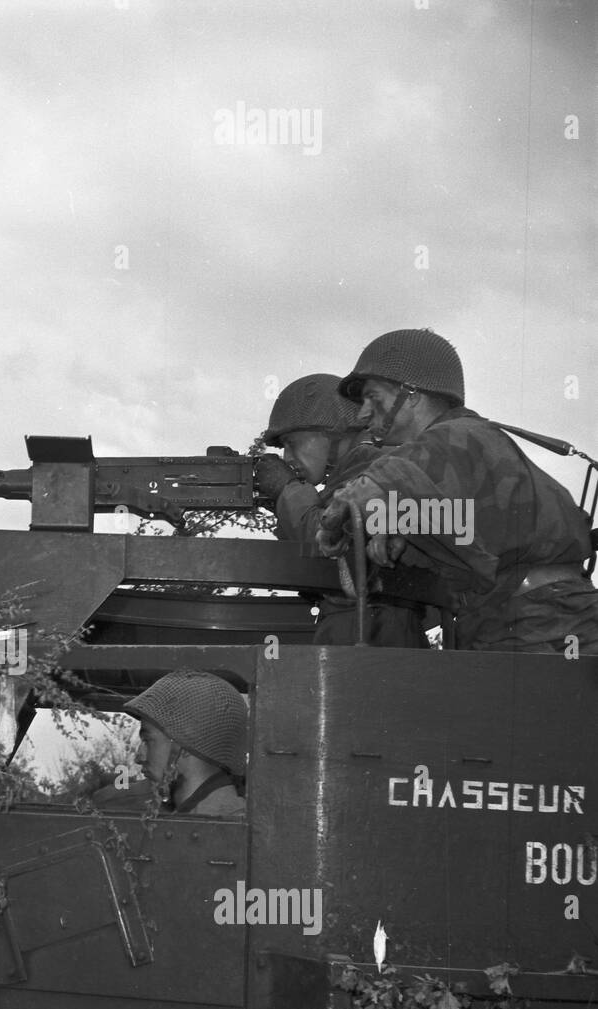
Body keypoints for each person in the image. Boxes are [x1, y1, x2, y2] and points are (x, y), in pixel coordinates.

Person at [316, 329, 598, 653]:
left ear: (411, 394)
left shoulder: (457, 438)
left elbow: (366, 494)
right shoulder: (469, 452)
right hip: (528, 620)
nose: (363, 413)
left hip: (537, 626)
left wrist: (349, 513)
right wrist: (400, 528)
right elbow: (464, 529)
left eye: (373, 397)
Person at [254, 373, 429, 647]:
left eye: (292, 443)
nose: (287, 457)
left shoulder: (374, 465)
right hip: (365, 618)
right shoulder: (350, 475)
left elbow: (327, 539)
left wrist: (286, 490)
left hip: (368, 622)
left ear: (333, 432)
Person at [90, 670, 246, 816]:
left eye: (148, 740)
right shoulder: (200, 817)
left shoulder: (225, 829)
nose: (139, 757)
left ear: (183, 746)